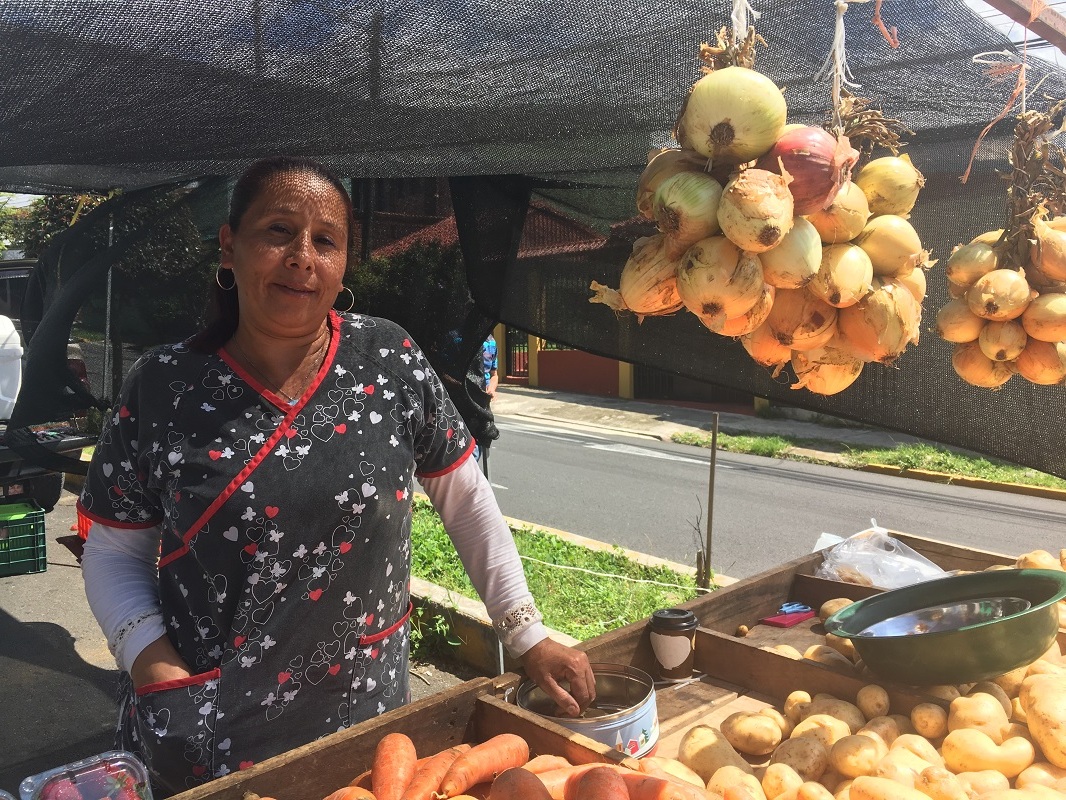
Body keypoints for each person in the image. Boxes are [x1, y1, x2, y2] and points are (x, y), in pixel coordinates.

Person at [78, 156, 595, 796]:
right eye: (278, 231)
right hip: (207, 728)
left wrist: (526, 633)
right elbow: (111, 550)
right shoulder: (164, 387)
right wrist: (153, 668)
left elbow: (467, 501)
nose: (302, 256)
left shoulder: (389, 360)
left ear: (345, 263)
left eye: (326, 240)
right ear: (229, 244)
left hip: (366, 725)